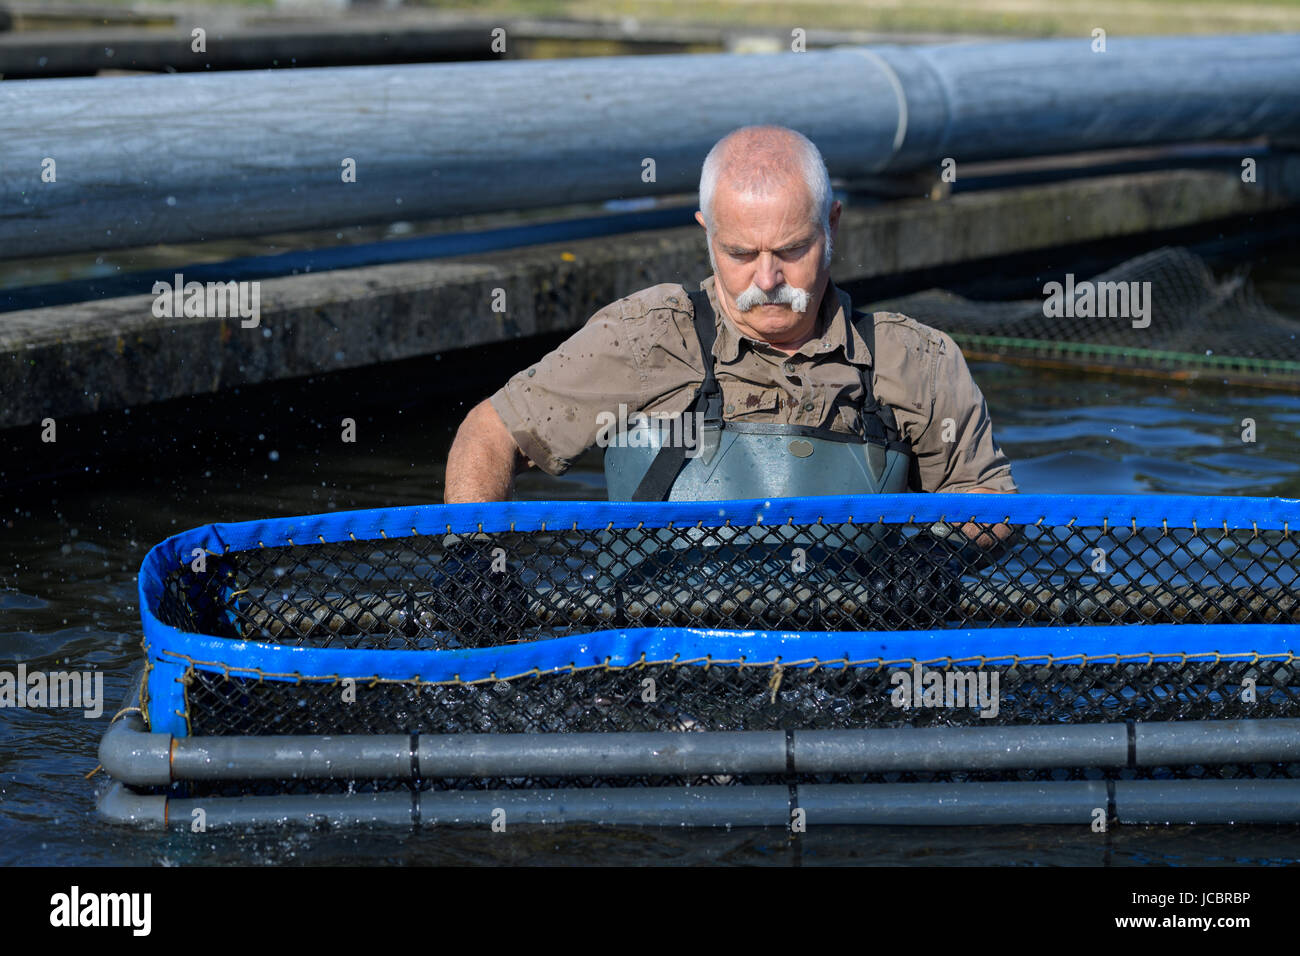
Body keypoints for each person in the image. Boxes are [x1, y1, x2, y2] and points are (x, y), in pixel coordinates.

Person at [446, 125, 1016, 544]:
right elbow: (490, 434)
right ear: (707, 234)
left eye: (792, 250)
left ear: (833, 225)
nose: (767, 280)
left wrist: (937, 557)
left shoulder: (919, 360)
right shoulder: (645, 339)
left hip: (851, 658)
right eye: (740, 253)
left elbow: (988, 500)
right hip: (668, 661)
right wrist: (474, 564)